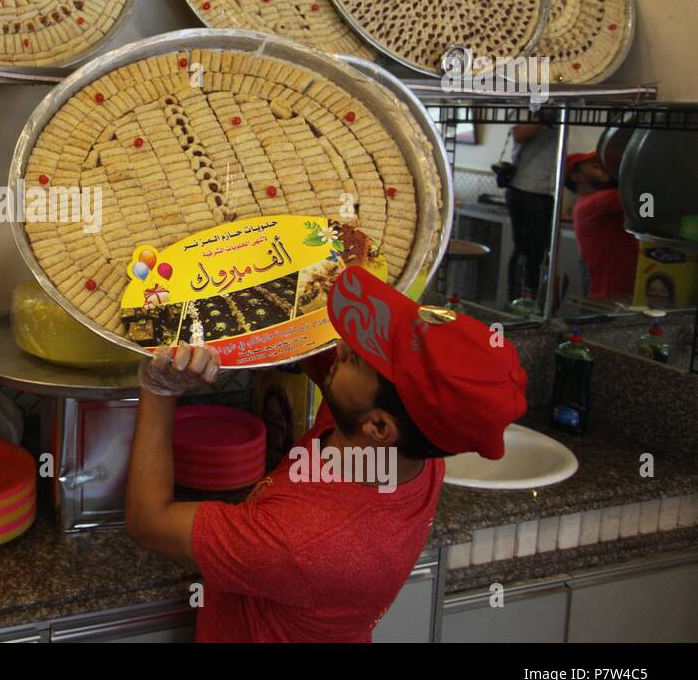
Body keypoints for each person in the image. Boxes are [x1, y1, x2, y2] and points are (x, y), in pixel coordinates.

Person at [125, 266, 528, 642]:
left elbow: (149, 522)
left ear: (379, 427)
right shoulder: (409, 448)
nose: (341, 344)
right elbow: (313, 342)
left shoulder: (303, 541)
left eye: (358, 356)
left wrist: (161, 389)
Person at [565, 151, 638, 300]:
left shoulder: (587, 203)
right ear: (578, 177)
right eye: (594, 165)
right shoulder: (596, 201)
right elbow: (646, 205)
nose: (603, 168)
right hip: (611, 294)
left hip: (612, 291)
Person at [506, 120, 558, 300]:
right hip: (525, 188)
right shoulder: (529, 105)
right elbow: (519, 133)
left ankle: (532, 298)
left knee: (539, 252)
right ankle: (517, 298)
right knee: (525, 250)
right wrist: (544, 112)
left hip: (546, 191)